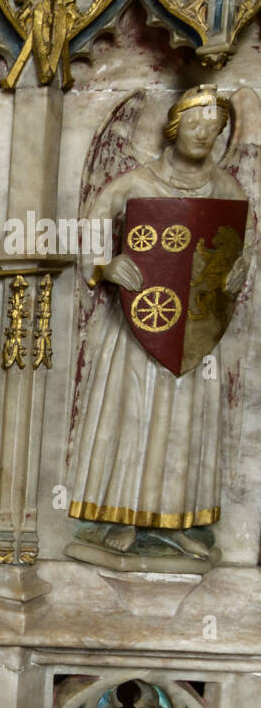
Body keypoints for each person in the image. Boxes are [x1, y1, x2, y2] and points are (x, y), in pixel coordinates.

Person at [68, 85, 255, 558]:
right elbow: (91, 225)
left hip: (193, 333)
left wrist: (239, 268)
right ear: (175, 128)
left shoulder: (227, 189)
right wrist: (105, 265)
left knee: (185, 426)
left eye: (212, 131)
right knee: (129, 416)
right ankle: (120, 517)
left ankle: (177, 522)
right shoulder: (137, 182)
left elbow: (243, 244)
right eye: (195, 126)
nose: (202, 135)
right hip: (137, 328)